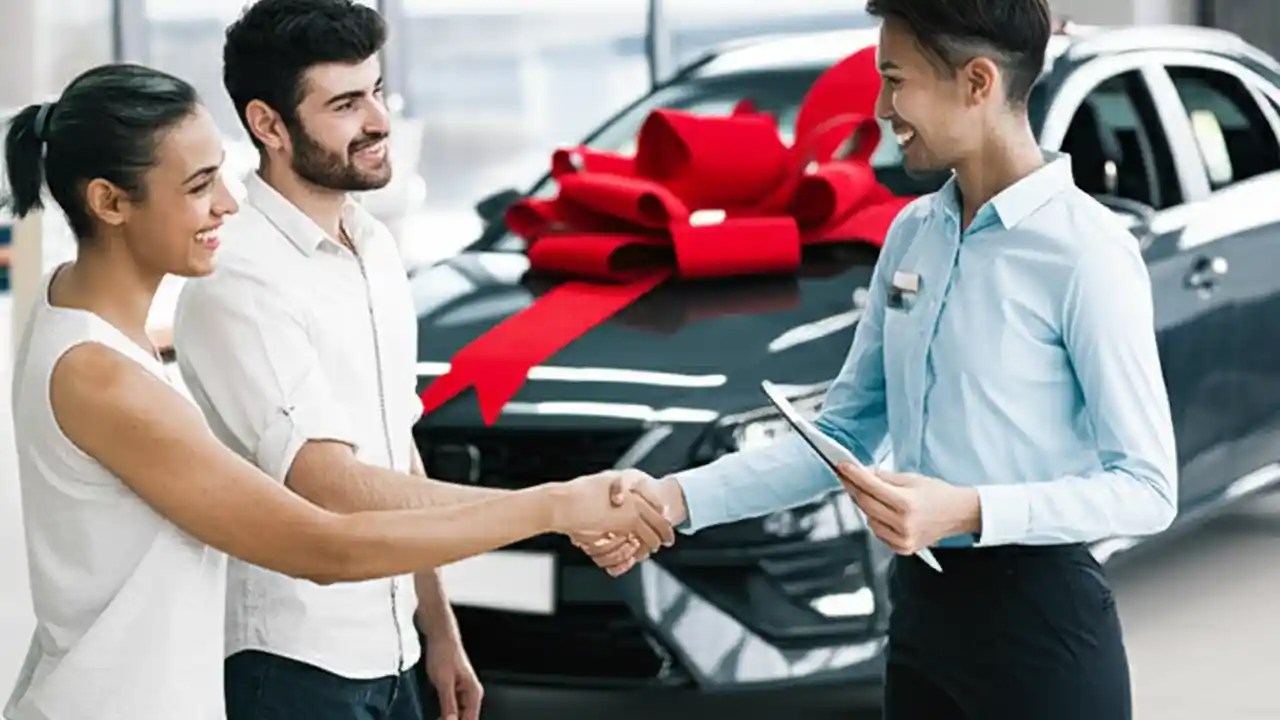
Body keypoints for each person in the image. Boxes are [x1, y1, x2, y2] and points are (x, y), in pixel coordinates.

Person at [2, 63, 672, 720]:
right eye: (200, 185)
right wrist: (554, 505)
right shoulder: (102, 375)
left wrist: (437, 625)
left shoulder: (77, 308)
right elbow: (324, 546)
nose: (228, 204)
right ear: (110, 202)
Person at [586, 1, 1179, 718]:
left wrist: (967, 509)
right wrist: (672, 500)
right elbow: (838, 442)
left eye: (895, 80)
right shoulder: (913, 233)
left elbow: (1146, 487)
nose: (879, 108)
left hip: (1042, 629)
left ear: (978, 82)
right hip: (923, 620)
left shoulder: (1086, 252)